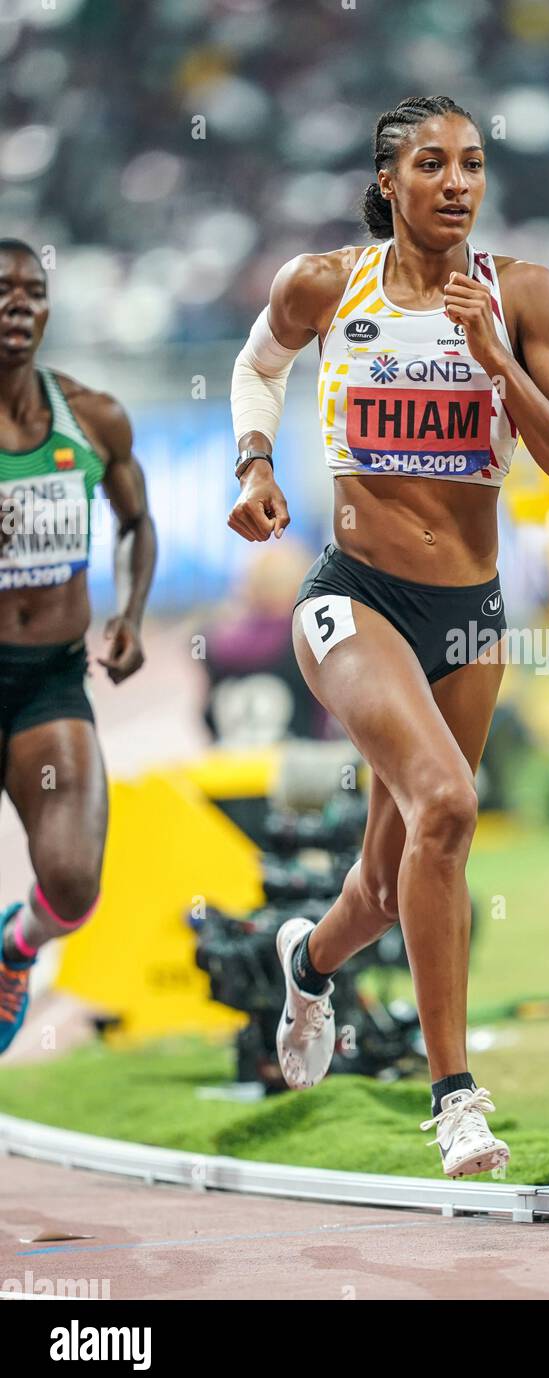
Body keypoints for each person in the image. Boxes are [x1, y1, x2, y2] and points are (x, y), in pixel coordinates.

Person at [227, 96, 549, 1177]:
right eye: (430, 164)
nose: (456, 182)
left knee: (391, 883)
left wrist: (502, 365)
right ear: (386, 181)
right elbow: (258, 366)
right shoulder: (324, 282)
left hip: (474, 614)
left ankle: (305, 960)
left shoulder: (522, 296)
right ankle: (454, 1097)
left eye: (472, 164)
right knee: (446, 803)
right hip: (354, 599)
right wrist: (254, 465)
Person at [0, 238, 157, 1053]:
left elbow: (136, 522)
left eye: (32, 292)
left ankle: (15, 947)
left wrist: (130, 610)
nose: (17, 305)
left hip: (47, 681)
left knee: (72, 885)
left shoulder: (92, 416)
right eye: (2, 290)